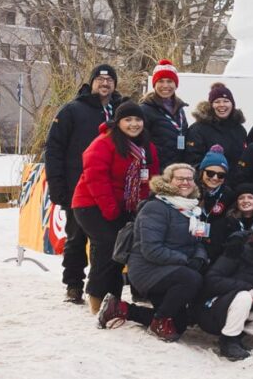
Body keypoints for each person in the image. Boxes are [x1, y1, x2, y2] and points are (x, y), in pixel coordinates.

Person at [97, 162, 209, 341]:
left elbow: (198, 242)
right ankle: (159, 323)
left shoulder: (192, 209)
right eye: (180, 178)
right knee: (192, 279)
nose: (185, 183)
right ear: (168, 181)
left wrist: (199, 258)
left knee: (179, 325)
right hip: (148, 268)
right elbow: (152, 250)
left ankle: (121, 308)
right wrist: (185, 261)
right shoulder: (156, 207)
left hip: (173, 268)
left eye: (189, 179)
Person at [44, 63, 123, 305]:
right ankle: (74, 284)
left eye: (109, 80)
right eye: (100, 80)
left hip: (110, 190)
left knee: (108, 241)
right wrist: (57, 187)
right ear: (91, 83)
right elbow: (54, 149)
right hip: (78, 189)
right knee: (76, 238)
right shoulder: (73, 110)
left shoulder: (122, 110)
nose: (105, 84)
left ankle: (102, 287)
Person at [71, 100, 158, 315]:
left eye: (138, 119)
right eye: (128, 120)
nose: (133, 124)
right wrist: (110, 210)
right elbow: (95, 178)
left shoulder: (147, 147)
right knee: (107, 246)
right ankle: (96, 297)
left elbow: (151, 179)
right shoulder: (103, 143)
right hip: (91, 204)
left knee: (120, 250)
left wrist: (143, 208)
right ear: (118, 122)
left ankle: (113, 299)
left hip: (124, 206)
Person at [196, 212, 253, 360]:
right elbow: (212, 279)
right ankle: (228, 341)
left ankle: (235, 334)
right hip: (216, 309)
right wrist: (245, 287)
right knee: (244, 296)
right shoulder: (238, 249)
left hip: (246, 311)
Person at [137, 62, 190, 170]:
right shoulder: (145, 110)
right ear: (154, 84)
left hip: (177, 171)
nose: (165, 85)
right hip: (156, 171)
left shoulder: (180, 110)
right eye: (161, 81)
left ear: (175, 84)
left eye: (170, 81)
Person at [186, 83, 247, 169]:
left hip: (236, 181)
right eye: (217, 102)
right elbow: (193, 162)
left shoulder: (240, 130)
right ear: (211, 105)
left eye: (226, 101)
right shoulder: (197, 130)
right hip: (210, 179)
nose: (222, 105)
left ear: (232, 104)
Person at [195, 147, 237, 245]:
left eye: (220, 175)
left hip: (215, 243)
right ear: (202, 172)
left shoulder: (228, 194)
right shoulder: (191, 190)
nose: (215, 178)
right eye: (210, 173)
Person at [214, 183, 253, 258]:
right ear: (236, 203)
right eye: (241, 198)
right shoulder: (225, 223)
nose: (245, 201)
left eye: (250, 197)